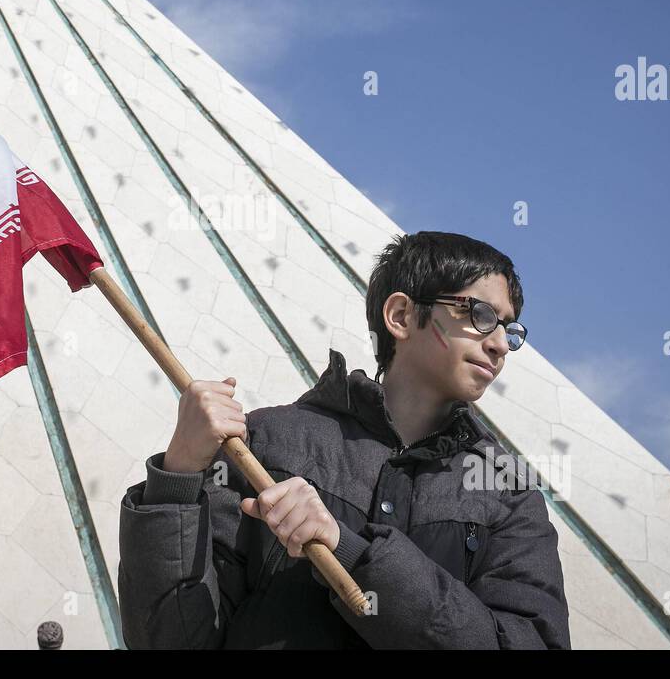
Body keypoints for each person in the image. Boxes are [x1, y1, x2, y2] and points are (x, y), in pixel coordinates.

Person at [118, 232, 571, 649]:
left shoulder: (505, 494)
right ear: (401, 316)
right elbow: (172, 641)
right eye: (481, 314)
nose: (499, 345)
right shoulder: (267, 441)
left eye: (510, 330)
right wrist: (176, 480)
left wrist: (352, 554)